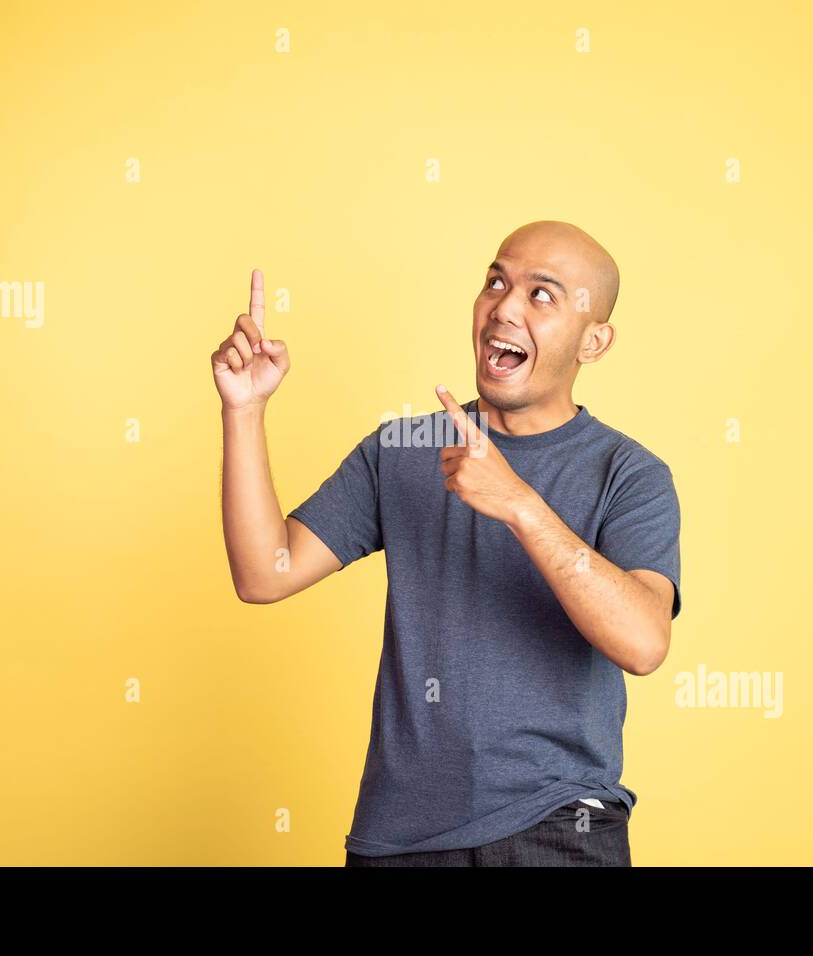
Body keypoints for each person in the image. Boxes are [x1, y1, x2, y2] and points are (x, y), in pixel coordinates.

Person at [212, 220, 682, 866]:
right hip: (397, 838)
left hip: (557, 828)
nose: (505, 307)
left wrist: (517, 502)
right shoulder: (402, 450)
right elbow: (266, 574)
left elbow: (644, 641)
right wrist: (244, 411)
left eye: (541, 294)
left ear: (594, 340)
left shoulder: (628, 474)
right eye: (496, 281)